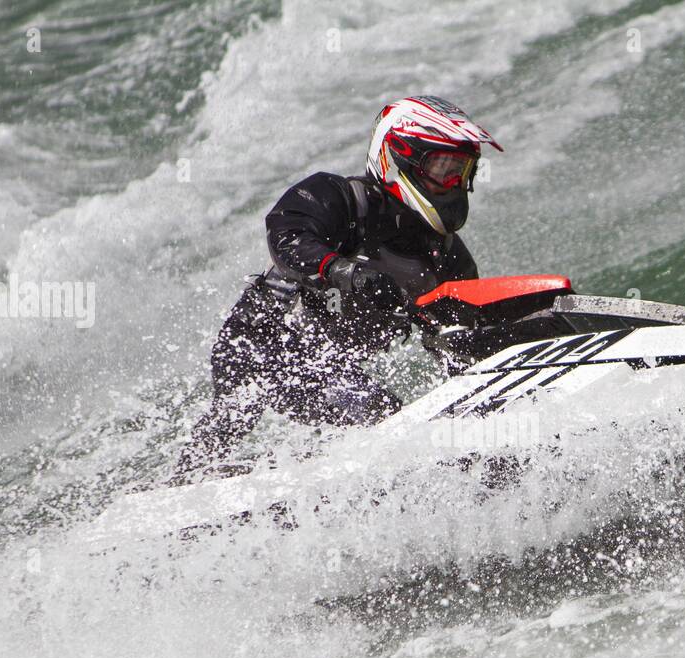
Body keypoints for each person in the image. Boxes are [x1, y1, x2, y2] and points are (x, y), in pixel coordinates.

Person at [174, 94, 501, 480]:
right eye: (444, 169)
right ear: (399, 157)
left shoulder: (446, 259)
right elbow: (286, 233)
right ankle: (174, 494)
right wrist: (345, 272)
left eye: (462, 171)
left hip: (324, 364)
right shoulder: (341, 198)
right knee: (373, 413)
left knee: (378, 413)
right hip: (259, 342)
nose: (455, 184)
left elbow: (458, 342)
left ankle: (292, 483)